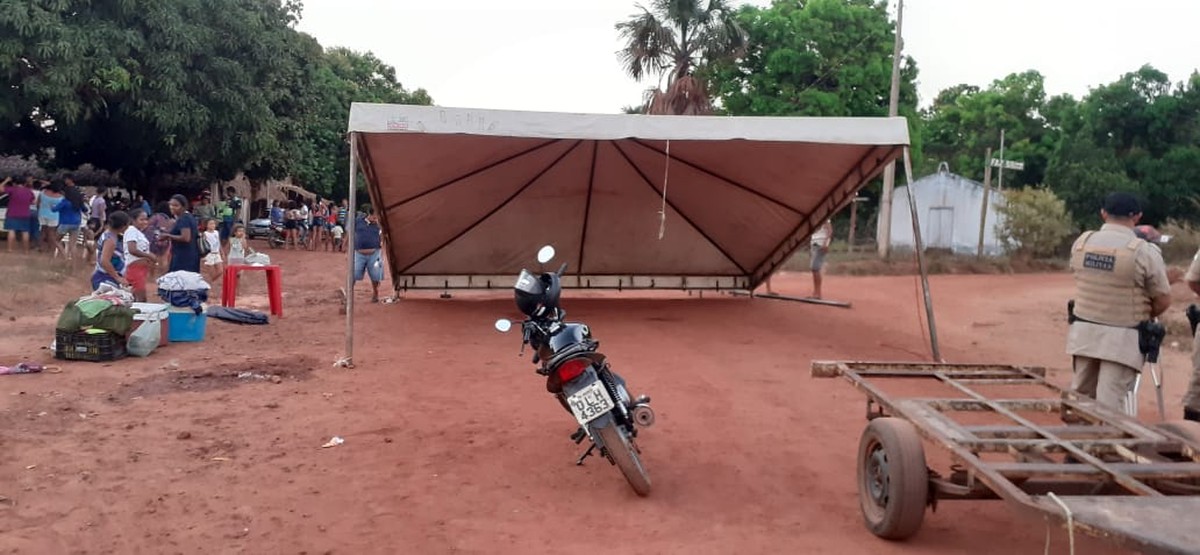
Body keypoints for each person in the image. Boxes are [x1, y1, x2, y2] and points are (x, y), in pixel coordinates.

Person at [1066, 192, 1172, 414]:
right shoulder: (1143, 251)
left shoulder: (1082, 243)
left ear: (1103, 213)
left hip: (1084, 333)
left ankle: (1078, 444)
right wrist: (1141, 313)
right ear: (1137, 216)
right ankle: (1104, 448)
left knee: (1079, 397)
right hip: (1123, 339)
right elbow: (1162, 298)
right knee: (1110, 404)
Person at [123, 209, 159, 301]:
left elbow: (142, 249)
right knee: (140, 297)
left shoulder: (139, 233)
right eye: (141, 219)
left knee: (139, 296)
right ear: (133, 220)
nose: (144, 222)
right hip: (135, 268)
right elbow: (132, 249)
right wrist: (148, 256)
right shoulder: (131, 231)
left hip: (141, 269)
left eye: (146, 219)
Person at [352, 206, 384, 303]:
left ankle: (375, 293)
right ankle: (349, 294)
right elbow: (350, 233)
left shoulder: (380, 224)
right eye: (374, 217)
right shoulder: (358, 221)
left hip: (374, 253)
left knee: (376, 275)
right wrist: (346, 248)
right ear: (369, 214)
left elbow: (384, 235)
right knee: (353, 274)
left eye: (377, 217)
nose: (376, 219)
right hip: (359, 253)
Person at [92, 211, 130, 290]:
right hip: (105, 277)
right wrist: (117, 278)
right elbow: (104, 261)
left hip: (104, 275)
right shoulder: (111, 241)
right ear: (123, 226)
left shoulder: (108, 234)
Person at [165, 194, 200, 273]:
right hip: (190, 254)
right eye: (170, 204)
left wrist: (168, 236)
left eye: (176, 205)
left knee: (179, 280)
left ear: (183, 207)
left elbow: (186, 238)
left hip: (183, 257)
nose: (172, 207)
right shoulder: (189, 217)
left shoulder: (184, 219)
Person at [54, 177, 86, 261]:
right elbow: (85, 209)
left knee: (56, 240)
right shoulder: (78, 202)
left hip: (65, 223)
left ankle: (65, 256)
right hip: (76, 223)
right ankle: (74, 265)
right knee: (73, 245)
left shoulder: (65, 201)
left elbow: (54, 210)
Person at [3, 175, 35, 253]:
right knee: (25, 231)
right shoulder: (29, 191)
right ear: (24, 183)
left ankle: (10, 249)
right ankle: (26, 250)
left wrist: (6, 180)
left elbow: (1, 188)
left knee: (11, 230)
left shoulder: (13, 189)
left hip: (12, 213)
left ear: (14, 183)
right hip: (25, 213)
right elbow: (32, 201)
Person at [808, 219, 834, 299]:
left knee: (815, 267)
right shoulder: (814, 217)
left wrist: (826, 243)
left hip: (821, 244)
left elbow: (830, 231)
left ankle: (818, 293)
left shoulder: (825, 218)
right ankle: (816, 292)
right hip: (814, 243)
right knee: (814, 269)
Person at [36, 180, 63, 255]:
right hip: (53, 216)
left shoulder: (43, 192)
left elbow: (38, 203)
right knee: (51, 233)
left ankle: (41, 247)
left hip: (42, 213)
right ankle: (51, 248)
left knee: (43, 231)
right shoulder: (60, 197)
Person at [200, 218, 224, 284]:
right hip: (209, 254)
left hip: (216, 253)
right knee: (212, 273)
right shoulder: (205, 234)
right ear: (206, 225)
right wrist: (202, 255)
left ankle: (208, 282)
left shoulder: (217, 232)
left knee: (220, 271)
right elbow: (202, 245)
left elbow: (218, 242)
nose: (213, 225)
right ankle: (209, 284)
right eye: (211, 224)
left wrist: (222, 252)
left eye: (214, 224)